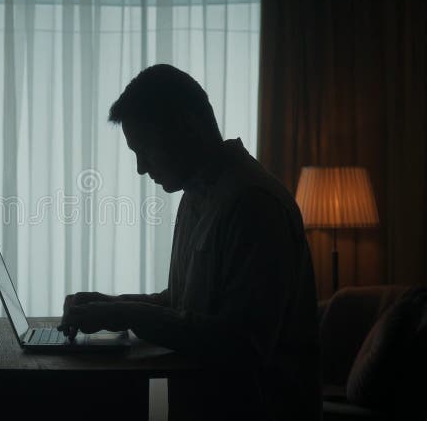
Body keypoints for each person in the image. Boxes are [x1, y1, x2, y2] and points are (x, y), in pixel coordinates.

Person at [57, 64, 321, 421]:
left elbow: (243, 345)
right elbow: (183, 305)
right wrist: (112, 305)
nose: (140, 168)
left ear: (185, 127)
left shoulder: (253, 204)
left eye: (144, 150)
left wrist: (128, 314)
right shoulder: (197, 195)